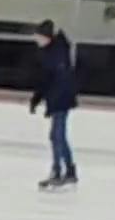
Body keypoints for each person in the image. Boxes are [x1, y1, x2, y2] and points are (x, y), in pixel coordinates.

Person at [32, 19, 82, 189]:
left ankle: (58, 171)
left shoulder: (57, 53)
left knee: (57, 136)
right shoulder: (48, 53)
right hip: (57, 99)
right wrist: (37, 98)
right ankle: (69, 171)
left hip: (62, 100)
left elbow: (61, 81)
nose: (36, 40)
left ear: (47, 37)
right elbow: (45, 80)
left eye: (38, 37)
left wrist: (51, 104)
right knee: (57, 137)